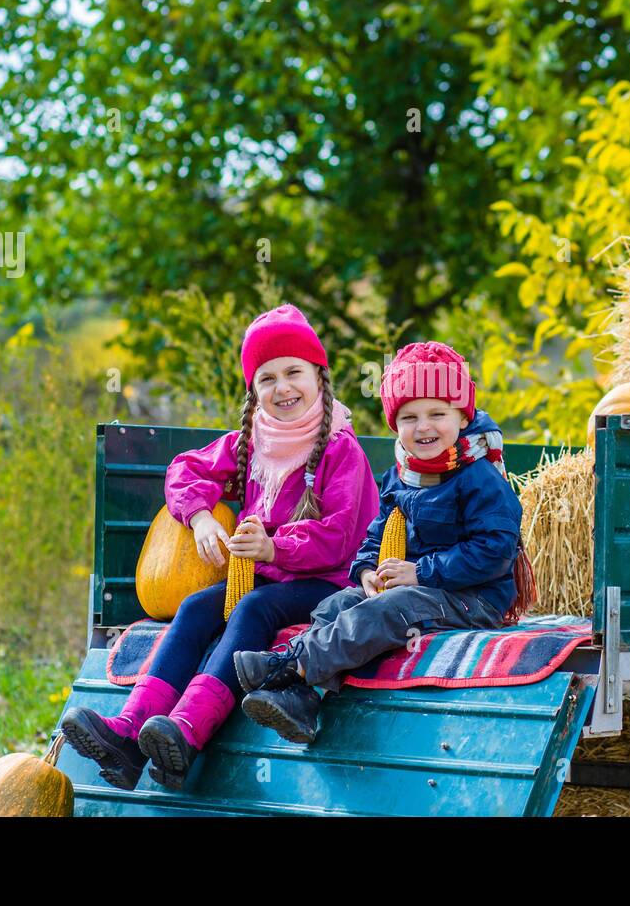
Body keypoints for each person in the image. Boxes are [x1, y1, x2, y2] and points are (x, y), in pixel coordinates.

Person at [60, 304, 379, 788]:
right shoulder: (251, 443)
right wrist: (202, 516)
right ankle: (128, 736)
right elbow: (184, 470)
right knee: (195, 607)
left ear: (319, 376)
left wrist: (272, 546)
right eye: (267, 378)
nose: (283, 388)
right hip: (265, 574)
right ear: (253, 391)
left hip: (328, 582)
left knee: (252, 609)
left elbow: (337, 540)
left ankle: (187, 733)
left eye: (294, 372)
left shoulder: (341, 449)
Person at [233, 340, 532, 744]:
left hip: (472, 597)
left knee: (393, 609)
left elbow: (493, 552)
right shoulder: (401, 475)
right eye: (409, 417)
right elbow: (376, 532)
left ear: (463, 417)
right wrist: (368, 570)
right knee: (338, 604)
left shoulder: (480, 478)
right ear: (396, 425)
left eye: (436, 414)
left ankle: (292, 666)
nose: (423, 427)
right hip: (417, 586)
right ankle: (306, 697)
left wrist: (420, 571)